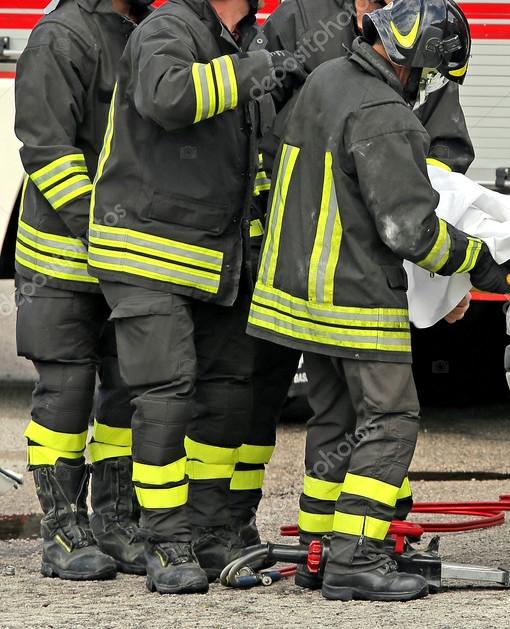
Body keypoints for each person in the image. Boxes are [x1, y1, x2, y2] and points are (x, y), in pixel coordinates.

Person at [229, 0, 477, 568]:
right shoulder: (385, 113)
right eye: (431, 74)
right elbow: (411, 229)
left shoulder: (326, 80)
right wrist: (478, 264)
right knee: (389, 420)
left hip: (301, 299)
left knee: (335, 419)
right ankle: (357, 558)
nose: (429, 87)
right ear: (412, 62)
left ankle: (318, 546)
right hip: (357, 296)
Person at [88, 0, 305, 593]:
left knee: (230, 394)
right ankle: (164, 540)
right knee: (166, 394)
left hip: (219, 260)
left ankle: (210, 533)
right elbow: (168, 97)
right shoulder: (167, 31)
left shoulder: (247, 41)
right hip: (147, 253)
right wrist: (253, 71)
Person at [14, 0, 152, 581]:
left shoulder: (143, 30)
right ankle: (61, 531)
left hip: (127, 258)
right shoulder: (60, 37)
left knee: (126, 390)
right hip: (62, 262)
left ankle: (116, 522)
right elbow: (48, 153)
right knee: (66, 392)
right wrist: (103, 231)